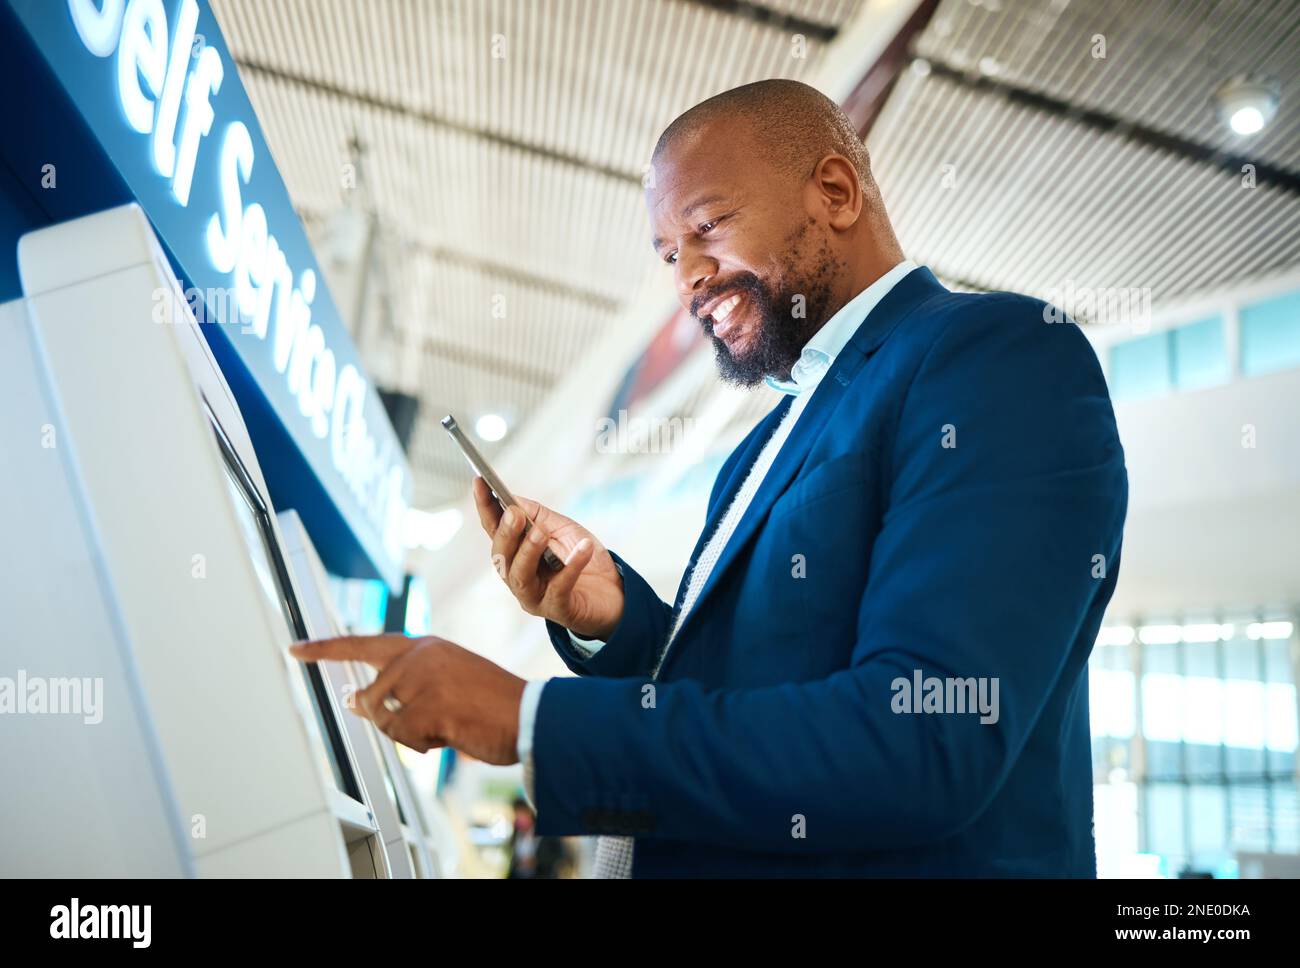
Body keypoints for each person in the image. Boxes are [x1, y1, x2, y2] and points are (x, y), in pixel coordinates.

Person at [293, 79, 1128, 878]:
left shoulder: (996, 357)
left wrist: (529, 719)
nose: (687, 277)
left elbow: (923, 732)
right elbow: (757, 690)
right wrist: (616, 620)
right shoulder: (762, 446)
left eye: (710, 225)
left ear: (834, 192)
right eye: (669, 253)